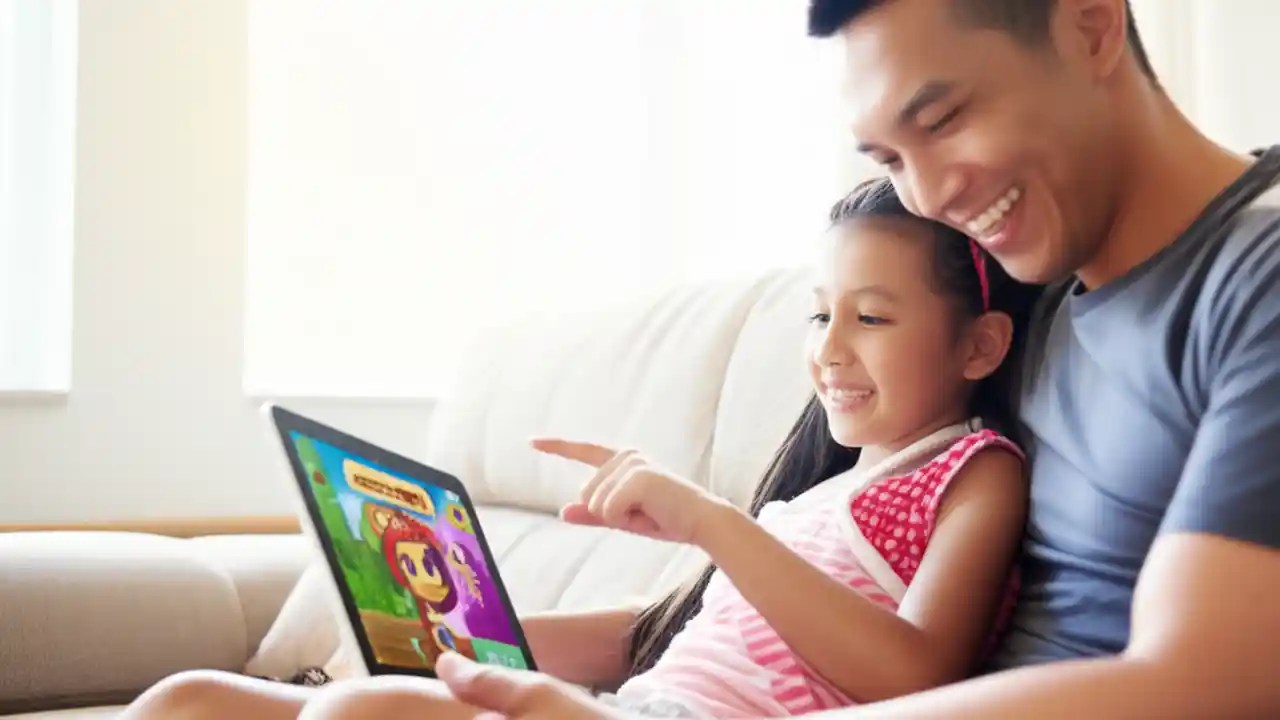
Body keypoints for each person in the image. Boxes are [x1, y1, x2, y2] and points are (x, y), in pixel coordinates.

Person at [403, 0, 1280, 717]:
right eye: (892, 157)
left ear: (1091, 25)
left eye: (945, 119)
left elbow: (1205, 685)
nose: (932, 196)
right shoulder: (1028, 286)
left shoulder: (1255, 278)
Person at [121, 179, 1040, 719]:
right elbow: (650, 636)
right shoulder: (818, 499)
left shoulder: (975, 474)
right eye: (819, 312)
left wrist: (715, 525)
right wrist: (454, 644)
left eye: (871, 317)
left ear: (980, 345)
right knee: (193, 701)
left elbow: (919, 676)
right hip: (632, 706)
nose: (829, 348)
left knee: (365, 713)